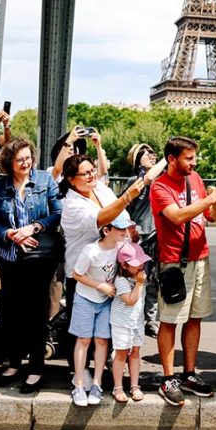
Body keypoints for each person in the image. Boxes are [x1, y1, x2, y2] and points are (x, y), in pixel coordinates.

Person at [149, 136, 216, 406]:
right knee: (170, 320)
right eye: (189, 158)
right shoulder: (160, 186)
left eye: (194, 157)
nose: (194, 163)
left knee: (195, 318)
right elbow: (178, 216)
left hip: (201, 257)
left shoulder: (194, 178)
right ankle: (168, 378)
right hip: (174, 262)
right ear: (172, 159)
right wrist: (211, 199)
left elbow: (209, 216)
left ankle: (188, 373)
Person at [60, 152, 145, 387]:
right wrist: (127, 197)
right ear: (71, 179)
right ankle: (79, 372)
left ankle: (101, 370)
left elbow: (122, 216)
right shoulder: (71, 204)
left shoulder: (101, 189)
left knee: (104, 329)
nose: (91, 176)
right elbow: (103, 218)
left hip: (110, 271)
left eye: (92, 170)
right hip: (83, 274)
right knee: (81, 331)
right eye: (85, 173)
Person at [0, 137, 62, 394]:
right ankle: (14, 363)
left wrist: (34, 227)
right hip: (9, 255)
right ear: (9, 162)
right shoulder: (0, 185)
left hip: (38, 256)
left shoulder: (45, 180)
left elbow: (57, 213)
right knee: (11, 312)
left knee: (36, 313)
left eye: (28, 158)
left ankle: (36, 367)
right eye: (19, 159)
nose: (25, 163)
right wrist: (9, 233)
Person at [69, 211, 133, 407]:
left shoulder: (122, 246)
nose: (124, 232)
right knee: (84, 339)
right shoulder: (91, 251)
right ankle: (79, 384)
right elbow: (77, 274)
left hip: (106, 301)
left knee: (102, 340)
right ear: (106, 230)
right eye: (120, 228)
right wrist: (99, 285)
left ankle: (97, 383)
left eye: (126, 228)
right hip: (86, 298)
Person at [123, 142, 166, 336]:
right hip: (139, 238)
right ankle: (136, 318)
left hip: (156, 236)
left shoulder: (161, 181)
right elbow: (147, 179)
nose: (151, 155)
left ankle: (150, 320)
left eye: (152, 152)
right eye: (145, 153)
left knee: (154, 281)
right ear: (136, 160)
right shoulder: (136, 180)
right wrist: (167, 157)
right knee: (138, 279)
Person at [111, 241, 151, 403]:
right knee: (121, 354)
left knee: (135, 353)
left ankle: (135, 385)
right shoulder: (121, 281)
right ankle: (118, 387)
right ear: (124, 265)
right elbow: (130, 300)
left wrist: (140, 282)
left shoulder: (140, 277)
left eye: (141, 262)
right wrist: (139, 284)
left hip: (136, 322)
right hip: (122, 323)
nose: (140, 265)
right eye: (136, 263)